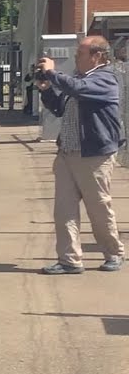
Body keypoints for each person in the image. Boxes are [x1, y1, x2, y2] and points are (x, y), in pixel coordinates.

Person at [35, 35, 126, 274]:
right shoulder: (79, 79)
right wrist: (46, 90)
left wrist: (53, 73)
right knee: (64, 210)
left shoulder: (106, 79)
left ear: (97, 56)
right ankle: (69, 259)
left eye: (80, 54)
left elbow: (78, 89)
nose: (75, 58)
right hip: (68, 152)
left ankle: (114, 253)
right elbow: (58, 107)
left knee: (98, 208)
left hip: (94, 155)